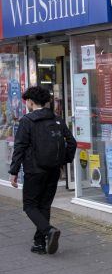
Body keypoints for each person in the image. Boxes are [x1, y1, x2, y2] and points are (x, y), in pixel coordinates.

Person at [9, 86, 76, 254]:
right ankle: (39, 243)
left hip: (34, 170)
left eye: (27, 102)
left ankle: (48, 231)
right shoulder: (57, 119)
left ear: (31, 102)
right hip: (53, 170)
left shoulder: (27, 121)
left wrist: (14, 172)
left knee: (30, 206)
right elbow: (72, 143)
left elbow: (20, 147)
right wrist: (64, 161)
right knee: (44, 205)